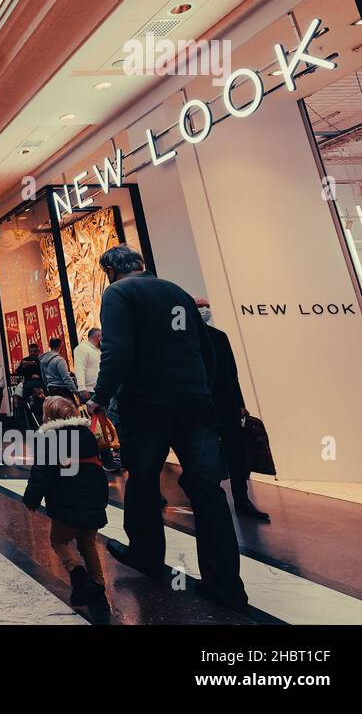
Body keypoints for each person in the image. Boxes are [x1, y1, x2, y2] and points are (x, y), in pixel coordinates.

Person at [89, 244, 248, 613]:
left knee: (143, 480)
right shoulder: (176, 291)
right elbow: (206, 350)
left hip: (146, 404)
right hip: (194, 403)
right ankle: (226, 586)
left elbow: (118, 351)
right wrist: (200, 389)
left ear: (110, 269)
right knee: (207, 489)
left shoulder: (118, 293)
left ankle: (145, 554)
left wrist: (101, 395)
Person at [23, 395, 110, 622]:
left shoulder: (50, 439)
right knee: (88, 544)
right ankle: (98, 588)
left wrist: (31, 499)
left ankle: (78, 575)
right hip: (93, 502)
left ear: (49, 416)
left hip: (66, 504)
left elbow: (41, 473)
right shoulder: (88, 434)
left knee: (59, 541)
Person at [195, 297, 270, 522]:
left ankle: (241, 498)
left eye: (207, 306)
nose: (205, 310)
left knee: (237, 452)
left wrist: (240, 404)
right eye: (200, 307)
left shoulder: (220, 337)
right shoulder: (186, 339)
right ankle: (209, 500)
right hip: (201, 405)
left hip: (226, 404)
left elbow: (231, 373)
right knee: (204, 455)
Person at [75, 329, 120, 472]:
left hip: (102, 391)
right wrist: (82, 388)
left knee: (105, 426)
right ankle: (106, 460)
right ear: (98, 336)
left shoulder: (98, 350)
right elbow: (79, 368)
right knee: (99, 428)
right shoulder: (82, 349)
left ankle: (109, 457)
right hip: (91, 392)